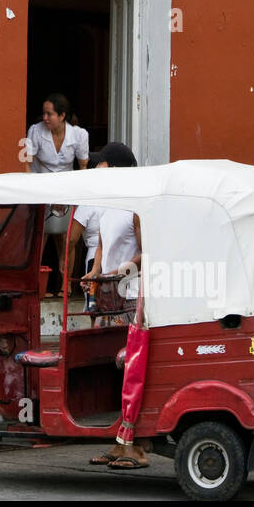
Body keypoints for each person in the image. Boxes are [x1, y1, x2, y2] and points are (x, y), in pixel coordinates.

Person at [72, 142, 150, 471]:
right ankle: (120, 442)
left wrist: (122, 271)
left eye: (103, 168)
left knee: (134, 368)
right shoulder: (107, 206)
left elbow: (147, 253)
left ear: (118, 169)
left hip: (134, 298)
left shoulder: (137, 207)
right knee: (115, 368)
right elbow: (102, 245)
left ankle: (138, 445)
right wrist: (93, 272)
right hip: (110, 298)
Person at [24, 94, 89, 294]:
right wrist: (33, 192)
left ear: (62, 116)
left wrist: (79, 197)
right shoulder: (35, 131)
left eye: (49, 114)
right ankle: (34, 284)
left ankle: (65, 285)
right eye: (44, 113)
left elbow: (83, 167)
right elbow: (27, 163)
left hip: (65, 190)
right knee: (39, 236)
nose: (45, 117)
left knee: (66, 239)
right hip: (40, 188)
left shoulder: (79, 135)